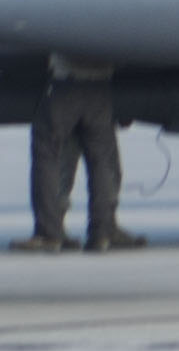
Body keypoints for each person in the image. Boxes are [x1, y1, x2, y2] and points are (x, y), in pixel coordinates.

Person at [23, 55, 134, 254]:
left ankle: (49, 232)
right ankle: (103, 230)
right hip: (100, 87)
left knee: (47, 152)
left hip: (66, 85)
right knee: (102, 159)